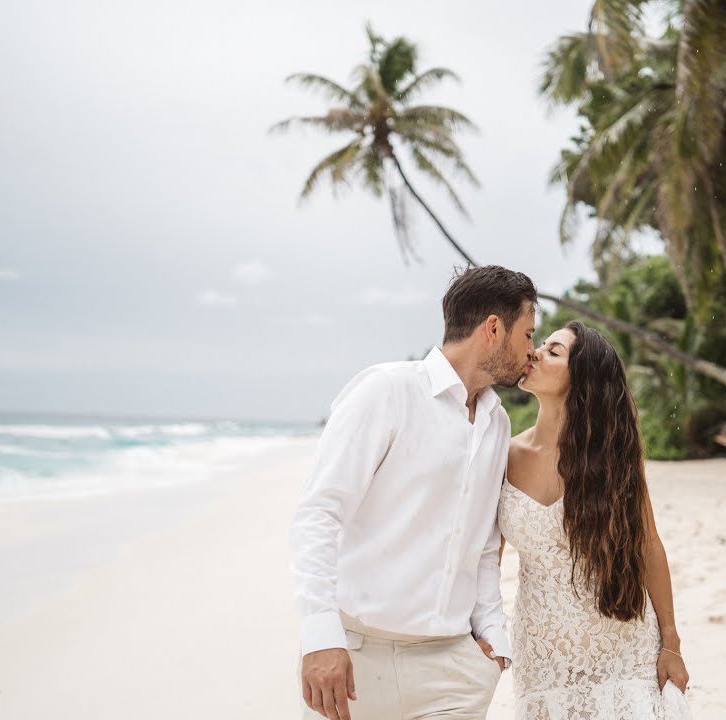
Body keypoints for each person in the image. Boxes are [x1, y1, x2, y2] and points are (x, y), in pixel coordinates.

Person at [290, 265, 538, 720]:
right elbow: (320, 512)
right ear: (494, 328)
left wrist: (493, 638)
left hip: (453, 672)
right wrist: (321, 634)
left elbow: (484, 545)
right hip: (356, 663)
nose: (532, 351)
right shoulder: (386, 391)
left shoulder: (497, 422)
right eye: (527, 334)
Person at [500, 320, 693, 718]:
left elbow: (648, 546)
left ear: (581, 379)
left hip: (622, 643)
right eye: (541, 343)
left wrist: (671, 645)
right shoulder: (503, 455)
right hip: (541, 655)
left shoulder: (612, 458)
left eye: (554, 351)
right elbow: (485, 557)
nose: (535, 352)